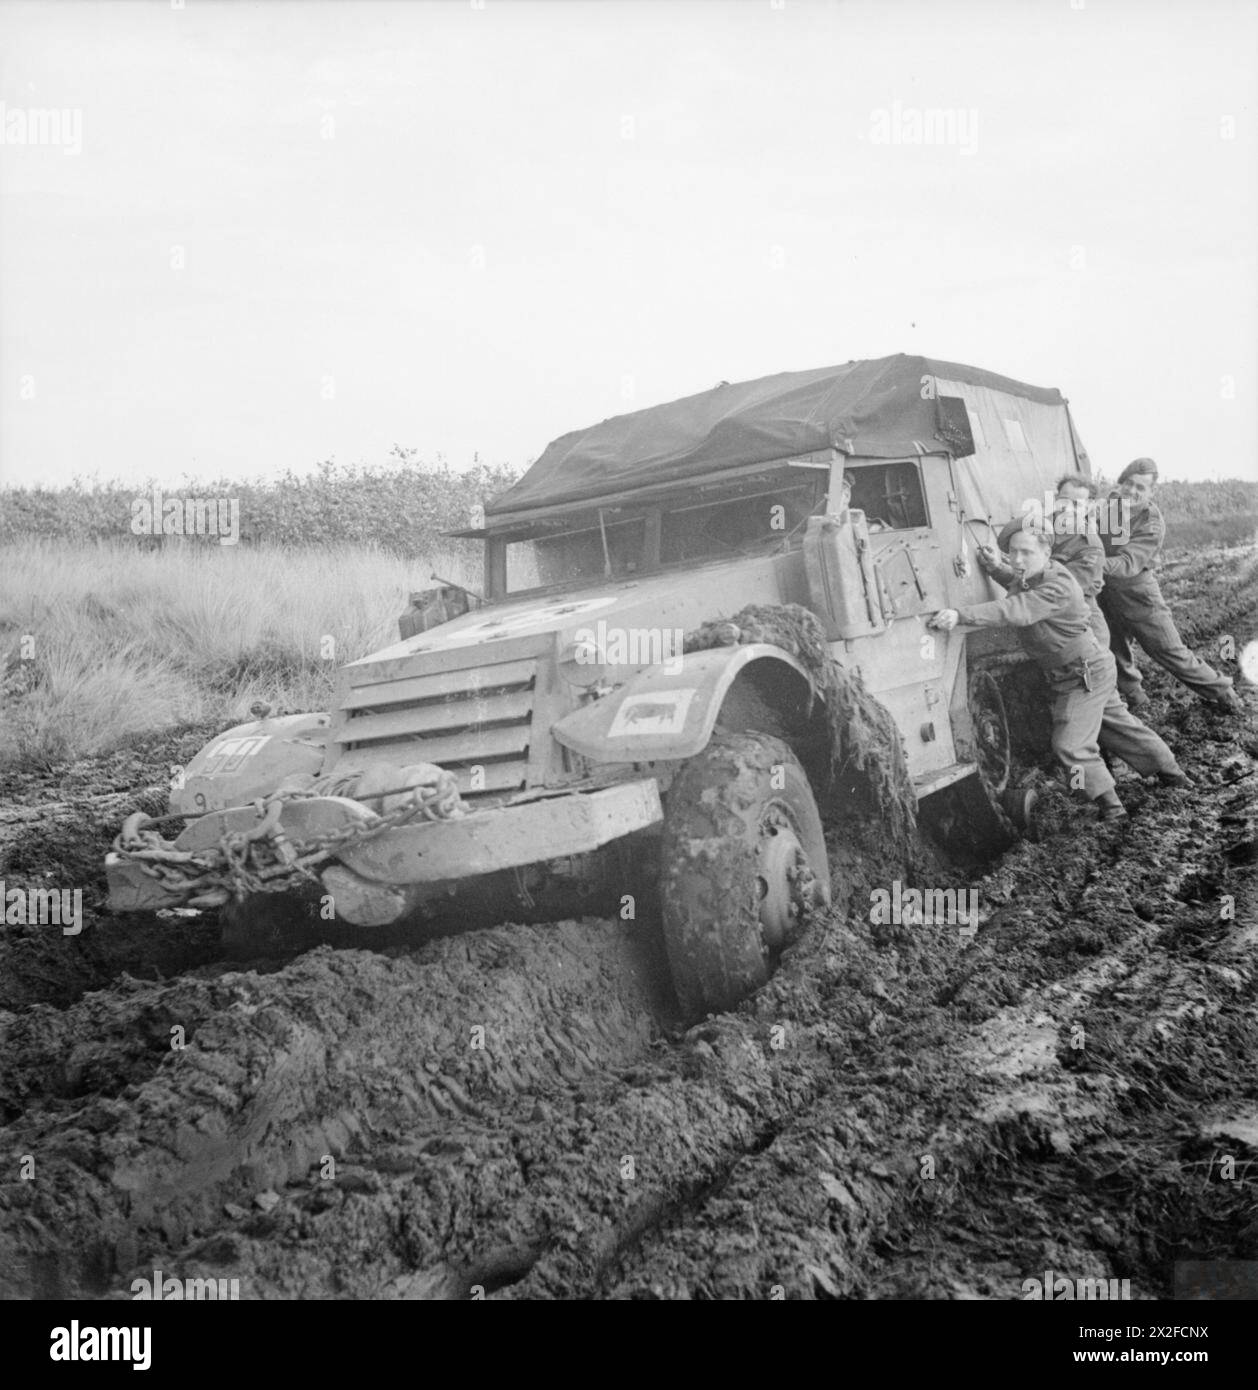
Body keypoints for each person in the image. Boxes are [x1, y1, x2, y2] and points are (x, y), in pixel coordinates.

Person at [930, 524, 1190, 822]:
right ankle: (1173, 773)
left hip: (1083, 673)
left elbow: (1017, 608)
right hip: (1082, 670)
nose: (1017, 559)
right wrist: (995, 567)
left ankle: (1112, 809)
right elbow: (1019, 583)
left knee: (1069, 745)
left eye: (1026, 552)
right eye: (1012, 551)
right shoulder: (1038, 576)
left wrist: (961, 615)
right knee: (1119, 727)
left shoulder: (1059, 585)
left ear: (1047, 552)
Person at [1097, 457, 1243, 714]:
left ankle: (1222, 691)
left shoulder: (1151, 522)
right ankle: (1136, 697)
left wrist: (1091, 562)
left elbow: (1128, 563)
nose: (1132, 491)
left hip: (1137, 591)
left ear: (1152, 492)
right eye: (1128, 484)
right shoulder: (1108, 506)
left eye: (1140, 488)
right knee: (1114, 644)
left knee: (1169, 651)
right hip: (1105, 589)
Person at [980, 473, 1108, 646]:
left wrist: (1000, 569)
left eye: (1077, 505)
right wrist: (996, 566)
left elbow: (1039, 587)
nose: (1067, 509)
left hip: (1082, 635)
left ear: (1089, 507)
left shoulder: (1091, 548)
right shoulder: (1042, 530)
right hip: (1049, 629)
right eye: (1064, 501)